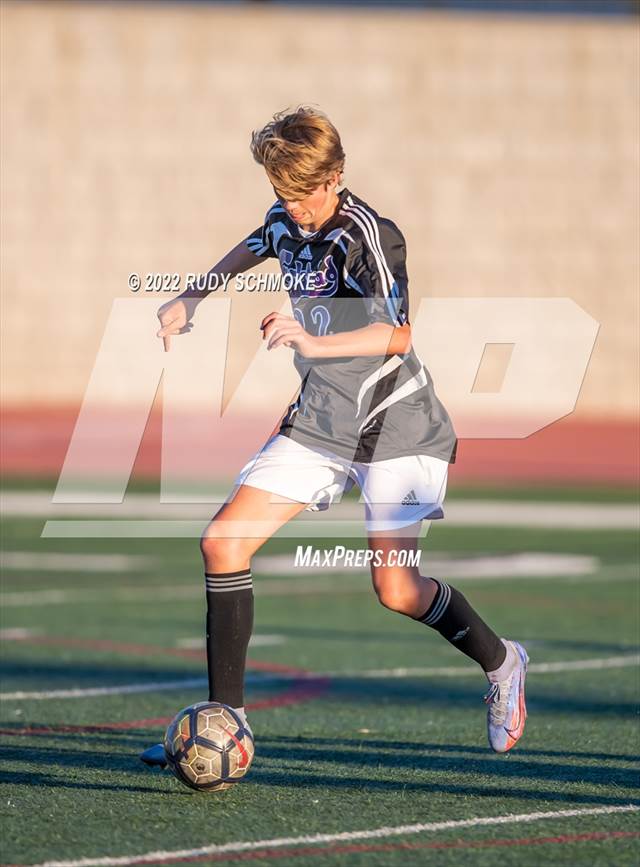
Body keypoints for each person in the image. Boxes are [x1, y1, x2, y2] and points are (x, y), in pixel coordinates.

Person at [141, 106, 528, 769]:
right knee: (222, 542)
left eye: (301, 195)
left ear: (336, 177)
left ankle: (502, 661)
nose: (292, 209)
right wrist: (192, 297)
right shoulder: (284, 217)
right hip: (321, 419)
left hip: (396, 424)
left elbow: (397, 335)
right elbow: (250, 246)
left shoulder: (368, 235)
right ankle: (226, 719)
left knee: (396, 590)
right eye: (280, 194)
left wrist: (313, 340)